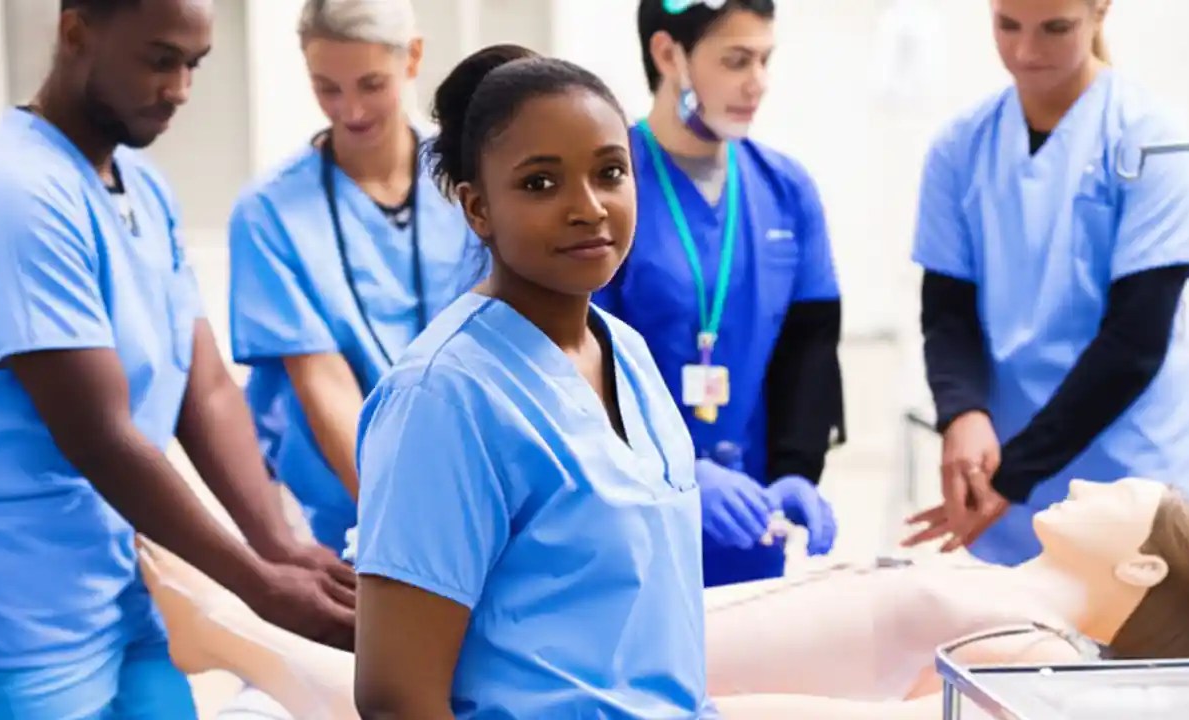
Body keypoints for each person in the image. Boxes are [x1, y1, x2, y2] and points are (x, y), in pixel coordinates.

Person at [0, 1, 355, 717]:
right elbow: (98, 435)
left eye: (193, 65)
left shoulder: (140, 187)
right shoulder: (15, 192)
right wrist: (257, 584)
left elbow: (208, 388)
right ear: (76, 32)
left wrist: (279, 545)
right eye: (160, 59)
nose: (181, 90)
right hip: (16, 623)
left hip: (120, 590)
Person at [139, 476, 1189, 719]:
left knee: (437, 701)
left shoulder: (1035, 654)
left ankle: (236, 640)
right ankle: (237, 639)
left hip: (665, 694)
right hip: (649, 642)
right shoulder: (993, 586)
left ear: (1141, 572)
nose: (1096, 479)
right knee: (452, 667)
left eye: (1130, 496)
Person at [348, 44, 721, 718]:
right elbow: (396, 698)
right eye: (540, 184)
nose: (589, 208)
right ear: (477, 208)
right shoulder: (444, 397)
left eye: (610, 172)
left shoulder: (627, 354)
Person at [905, 0, 1189, 566]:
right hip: (1007, 491)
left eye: (1055, 28)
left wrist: (1015, 473)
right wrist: (963, 413)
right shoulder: (961, 147)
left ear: (1100, 11)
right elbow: (947, 312)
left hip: (1126, 481)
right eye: (1007, 26)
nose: (1025, 53)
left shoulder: (1151, 141)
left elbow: (1135, 343)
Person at [595, 0, 847, 587]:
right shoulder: (611, 182)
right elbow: (582, 363)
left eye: (764, 59)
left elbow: (809, 348)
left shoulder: (785, 189)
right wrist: (676, 472)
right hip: (632, 524)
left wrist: (797, 472)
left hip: (750, 521)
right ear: (668, 54)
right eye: (736, 60)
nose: (757, 82)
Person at [228, 0, 473, 559]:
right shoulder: (271, 212)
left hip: (479, 485)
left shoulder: (469, 180)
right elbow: (322, 383)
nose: (351, 110)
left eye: (370, 83)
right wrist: (403, 522)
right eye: (327, 88)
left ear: (412, 58)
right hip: (349, 517)